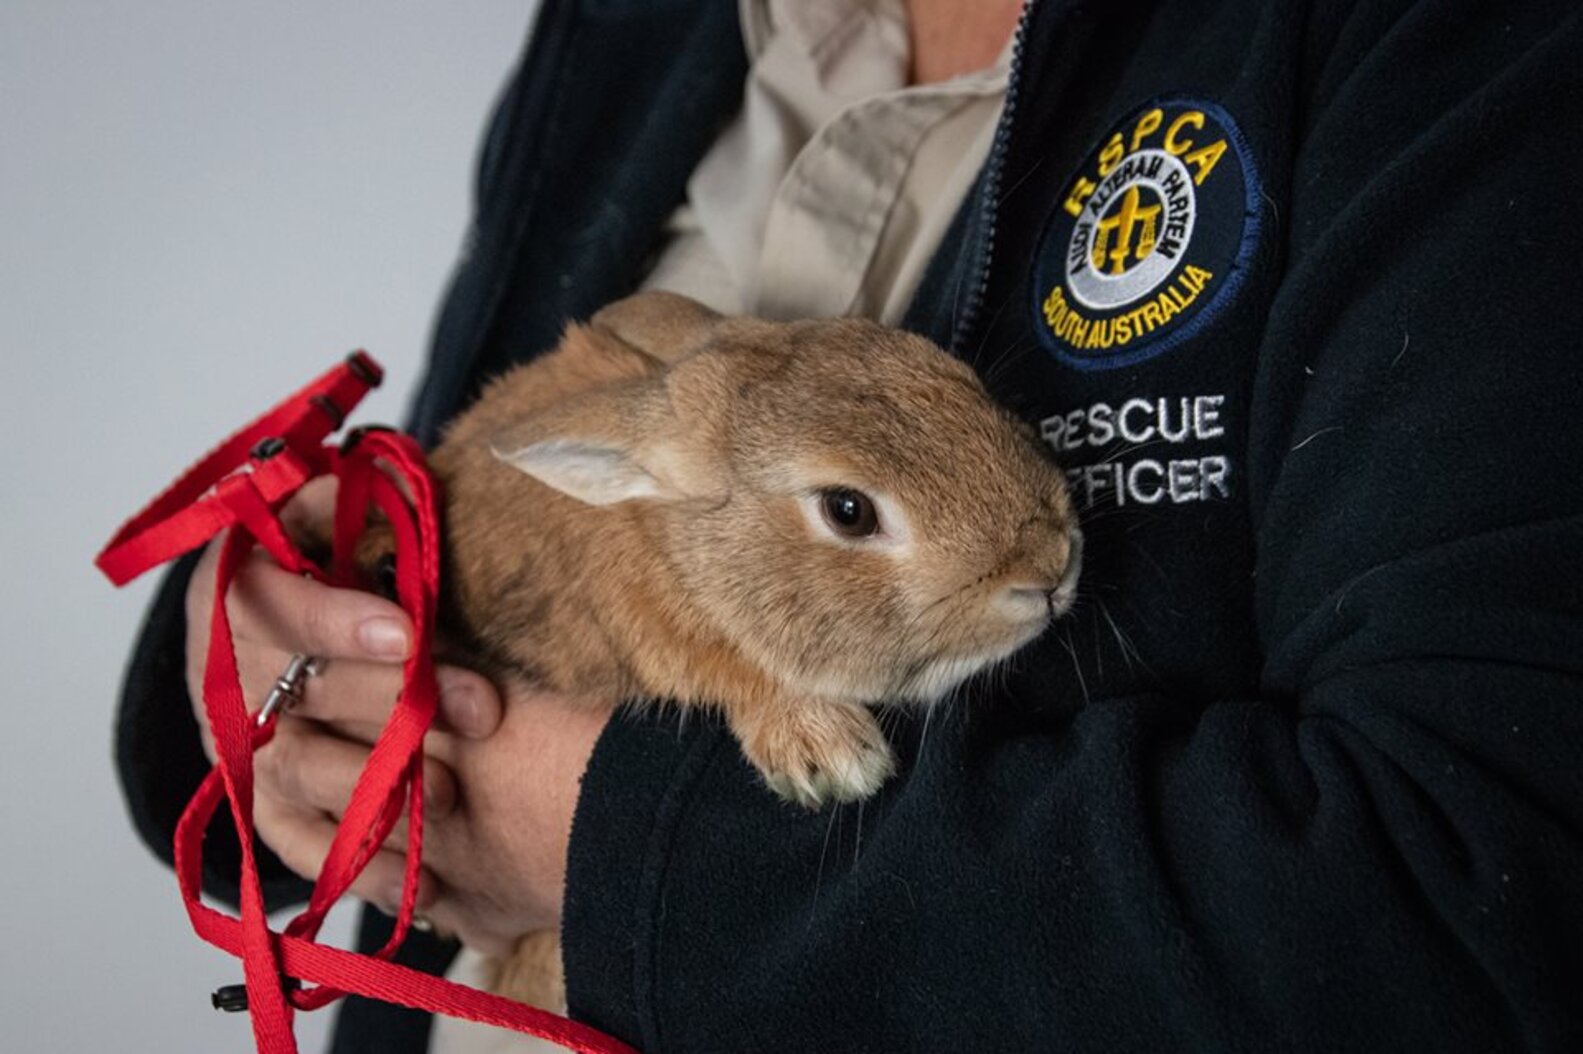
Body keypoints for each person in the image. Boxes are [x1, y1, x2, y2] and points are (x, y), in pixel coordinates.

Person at [116, 0, 1583, 1051]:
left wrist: (607, 839)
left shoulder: (1433, 47)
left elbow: (1470, 904)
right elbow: (487, 471)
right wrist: (255, 637)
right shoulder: (625, 32)